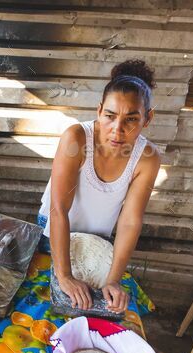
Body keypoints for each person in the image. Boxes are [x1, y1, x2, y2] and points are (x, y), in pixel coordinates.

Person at [37, 59, 161, 314]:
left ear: (147, 119)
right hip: (56, 231)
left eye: (131, 119)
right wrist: (64, 276)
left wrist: (113, 280)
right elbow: (58, 209)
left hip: (99, 240)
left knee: (103, 308)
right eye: (110, 116)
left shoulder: (147, 158)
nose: (117, 130)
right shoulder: (76, 138)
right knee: (59, 302)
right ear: (99, 110)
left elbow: (129, 222)